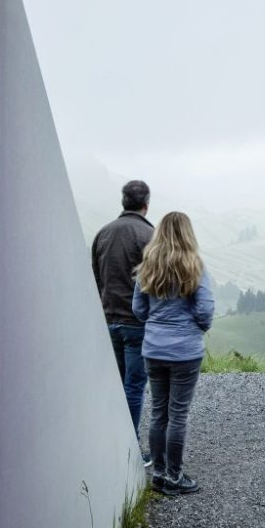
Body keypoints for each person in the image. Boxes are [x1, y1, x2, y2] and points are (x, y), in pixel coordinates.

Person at [130, 210, 215, 494]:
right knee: (178, 414)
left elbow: (138, 310)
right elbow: (205, 310)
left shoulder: (148, 267)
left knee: (158, 413)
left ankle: (159, 474)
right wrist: (194, 328)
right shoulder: (196, 266)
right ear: (188, 234)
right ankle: (175, 478)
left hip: (153, 348)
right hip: (185, 351)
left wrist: (157, 324)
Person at [90, 180, 154, 445]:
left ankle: (113, 444)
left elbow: (95, 277)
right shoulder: (150, 236)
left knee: (117, 386)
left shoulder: (102, 233)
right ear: (146, 205)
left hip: (108, 318)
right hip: (136, 322)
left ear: (123, 202)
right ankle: (129, 448)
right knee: (134, 385)